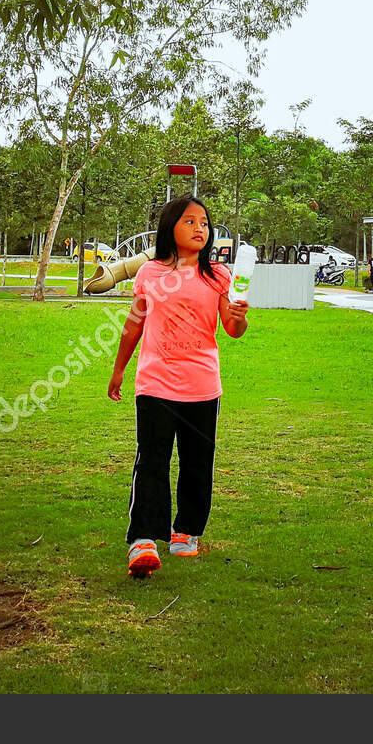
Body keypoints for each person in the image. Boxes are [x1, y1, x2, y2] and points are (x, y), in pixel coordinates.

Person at [108, 195, 249, 577]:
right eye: (190, 221)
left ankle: (186, 530)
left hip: (202, 385)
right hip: (154, 382)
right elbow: (134, 324)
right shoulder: (149, 273)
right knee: (151, 461)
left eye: (204, 222)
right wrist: (119, 370)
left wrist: (240, 318)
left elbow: (232, 330)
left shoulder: (218, 275)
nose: (200, 228)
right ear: (170, 227)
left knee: (197, 464)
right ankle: (143, 539)